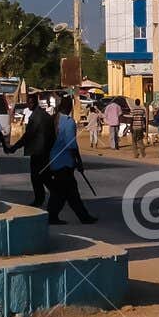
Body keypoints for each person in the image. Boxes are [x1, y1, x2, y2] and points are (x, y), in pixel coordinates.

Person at [45, 96, 97, 224]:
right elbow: (71, 145)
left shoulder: (54, 120)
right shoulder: (68, 122)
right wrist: (78, 161)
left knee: (66, 192)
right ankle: (80, 217)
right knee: (67, 192)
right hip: (64, 162)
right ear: (68, 107)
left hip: (54, 161)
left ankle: (81, 216)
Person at [12, 94, 56, 208]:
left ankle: (42, 198)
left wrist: (15, 147)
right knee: (42, 176)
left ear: (35, 102)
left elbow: (28, 136)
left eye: (30, 102)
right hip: (44, 150)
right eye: (28, 102)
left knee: (37, 177)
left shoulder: (36, 117)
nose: (28, 104)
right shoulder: (43, 115)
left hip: (38, 151)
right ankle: (42, 198)